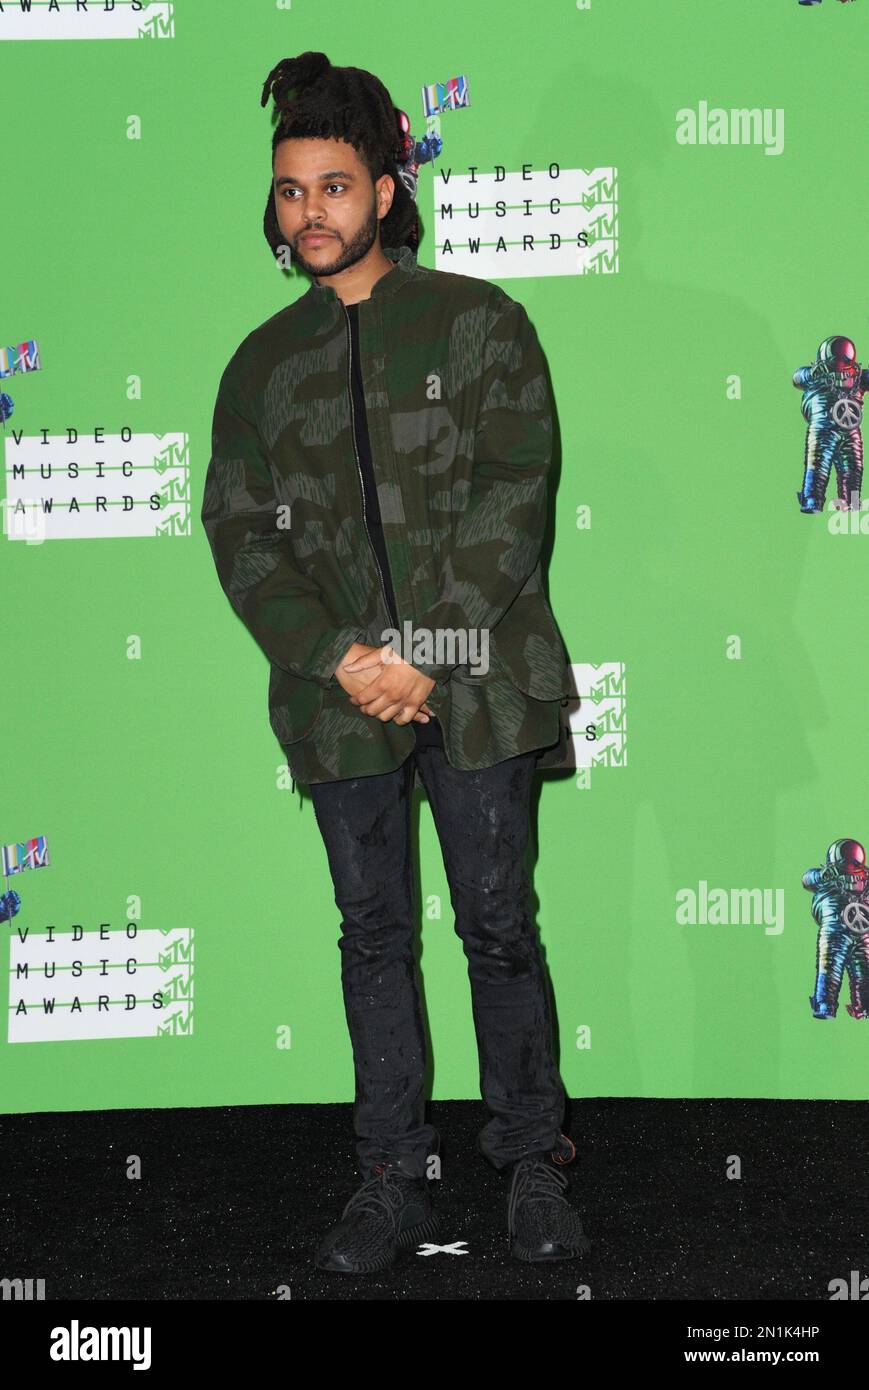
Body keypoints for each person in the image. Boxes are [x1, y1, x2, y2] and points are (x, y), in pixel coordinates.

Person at [200, 50, 590, 1272]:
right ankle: (389, 1178)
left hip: (476, 681)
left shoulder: (479, 324)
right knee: (370, 935)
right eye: (289, 191)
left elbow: (511, 495)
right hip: (338, 704)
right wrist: (341, 657)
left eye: (331, 184)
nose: (309, 211)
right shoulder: (260, 367)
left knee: (495, 922)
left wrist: (418, 655)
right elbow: (242, 533)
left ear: (384, 185)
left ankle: (529, 1163)